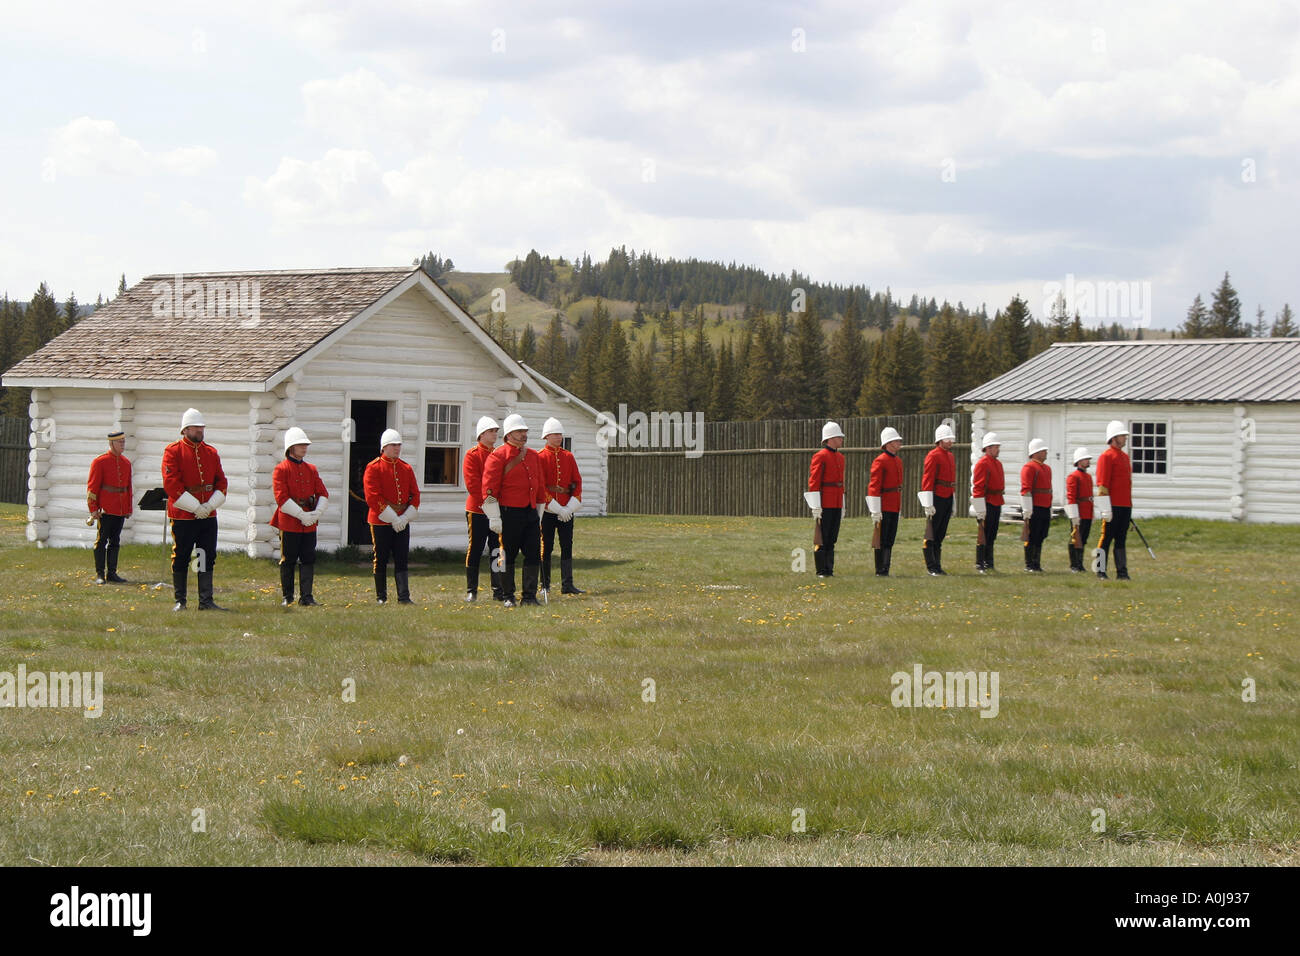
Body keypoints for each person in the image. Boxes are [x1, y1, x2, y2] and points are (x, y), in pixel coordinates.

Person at [481, 414, 564, 607]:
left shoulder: (533, 455)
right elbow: (489, 489)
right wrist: (494, 517)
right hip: (508, 512)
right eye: (519, 431)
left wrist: (539, 512)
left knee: (534, 553)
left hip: (530, 512)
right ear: (509, 434)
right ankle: (508, 595)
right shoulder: (498, 456)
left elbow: (540, 486)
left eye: (525, 431)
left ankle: (529, 596)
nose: (524, 434)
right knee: (505, 554)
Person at [162, 408, 228, 610]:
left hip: (208, 513)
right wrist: (195, 507)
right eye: (196, 428)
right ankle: (180, 601)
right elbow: (171, 485)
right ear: (186, 429)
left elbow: (221, 482)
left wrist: (208, 506)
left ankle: (205, 601)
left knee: (205, 555)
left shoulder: (211, 452)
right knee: (181, 556)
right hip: (183, 515)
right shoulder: (172, 451)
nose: (200, 431)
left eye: (202, 427)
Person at [270, 426, 329, 606]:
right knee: (288, 559)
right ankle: (287, 597)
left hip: (309, 519)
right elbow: (281, 498)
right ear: (291, 447)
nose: (304, 448)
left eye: (305, 445)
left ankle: (307, 596)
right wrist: (301, 515)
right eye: (300, 445)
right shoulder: (281, 469)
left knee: (308, 558)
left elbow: (323, 493)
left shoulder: (311, 469)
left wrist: (315, 513)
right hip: (290, 520)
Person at [363, 428, 420, 604]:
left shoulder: (406, 468)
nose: (397, 448)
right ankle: (381, 597)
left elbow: (415, 495)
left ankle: (404, 596)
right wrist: (393, 518)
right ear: (384, 447)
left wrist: (404, 518)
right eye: (393, 445)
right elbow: (373, 497)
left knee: (402, 558)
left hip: (403, 519)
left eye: (399, 445)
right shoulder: (373, 468)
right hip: (381, 520)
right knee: (380, 558)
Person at [537, 417, 585, 596]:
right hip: (549, 510)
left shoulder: (568, 456)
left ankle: (567, 585)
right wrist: (556, 508)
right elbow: (541, 487)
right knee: (546, 547)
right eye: (555, 434)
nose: (558, 437)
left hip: (567, 509)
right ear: (547, 436)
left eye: (560, 434)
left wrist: (569, 508)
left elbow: (576, 483)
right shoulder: (540, 457)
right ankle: (545, 585)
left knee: (567, 546)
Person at [463, 416, 504, 603]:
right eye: (491, 431)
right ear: (481, 434)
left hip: (498, 511)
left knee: (498, 550)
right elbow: (473, 485)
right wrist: (490, 506)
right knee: (476, 549)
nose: (495, 434)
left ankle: (498, 589)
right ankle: (472, 590)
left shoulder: (499, 454)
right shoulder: (472, 455)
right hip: (478, 510)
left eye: (496, 431)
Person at [86, 428, 133, 584]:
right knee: (101, 541)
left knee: (115, 541)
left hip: (119, 509)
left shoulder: (126, 463)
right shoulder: (100, 462)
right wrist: (93, 508)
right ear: (112, 443)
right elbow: (93, 487)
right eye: (120, 442)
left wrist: (128, 508)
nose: (123, 445)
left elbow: (128, 487)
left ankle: (112, 573)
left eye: (123, 442)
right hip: (105, 509)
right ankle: (100, 574)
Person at [1094, 420, 1133, 581]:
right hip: (1112, 505)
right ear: (1114, 437)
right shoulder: (1106, 456)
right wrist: (1105, 508)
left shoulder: (1125, 457)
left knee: (1121, 538)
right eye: (1122, 436)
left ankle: (1121, 571)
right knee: (1106, 537)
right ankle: (1100, 569)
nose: (1125, 439)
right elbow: (1102, 484)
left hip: (1124, 504)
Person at [807, 421, 846, 578]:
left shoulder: (840, 457)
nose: (841, 439)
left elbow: (841, 482)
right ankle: (821, 570)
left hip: (836, 501)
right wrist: (816, 505)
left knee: (832, 537)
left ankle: (829, 569)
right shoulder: (820, 456)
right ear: (830, 438)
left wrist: (842, 503)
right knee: (822, 537)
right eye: (839, 437)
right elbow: (814, 481)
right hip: (825, 502)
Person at [919, 423, 956, 575]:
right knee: (932, 533)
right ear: (940, 440)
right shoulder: (933, 455)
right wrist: (928, 502)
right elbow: (928, 479)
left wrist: (952, 498)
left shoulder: (950, 456)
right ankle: (931, 566)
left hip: (947, 495)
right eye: (948, 440)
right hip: (937, 496)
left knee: (940, 533)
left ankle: (937, 564)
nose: (951, 442)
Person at [867, 426, 904, 576]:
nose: (899, 442)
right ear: (888, 443)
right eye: (896, 440)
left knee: (890, 538)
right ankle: (880, 569)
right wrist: (875, 509)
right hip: (884, 504)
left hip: (894, 503)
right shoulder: (880, 461)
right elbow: (874, 486)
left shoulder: (898, 460)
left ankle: (886, 568)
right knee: (881, 538)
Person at [970, 432, 1005, 573]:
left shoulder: (998, 464)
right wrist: (979, 509)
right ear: (988, 448)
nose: (998, 449)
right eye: (996, 447)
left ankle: (989, 562)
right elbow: (978, 487)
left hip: (996, 501)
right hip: (987, 502)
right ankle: (980, 563)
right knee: (983, 534)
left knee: (992, 534)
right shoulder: (982, 464)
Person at [1019, 438, 1053, 573]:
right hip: (1035, 506)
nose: (1045, 453)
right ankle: (1029, 563)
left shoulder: (1047, 468)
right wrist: (1027, 509)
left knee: (1041, 535)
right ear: (1036, 452)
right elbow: (1026, 489)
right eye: (1043, 450)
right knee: (1032, 535)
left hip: (1044, 506)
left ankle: (1036, 562)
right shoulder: (1029, 467)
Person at [1065, 447, 1094, 573]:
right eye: (1085, 459)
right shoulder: (1073, 476)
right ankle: (1074, 565)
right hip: (1078, 511)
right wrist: (1074, 514)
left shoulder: (1088, 476)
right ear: (1079, 461)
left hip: (1087, 511)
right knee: (1076, 538)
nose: (1088, 461)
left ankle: (1080, 563)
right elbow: (1071, 496)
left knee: (1084, 538)